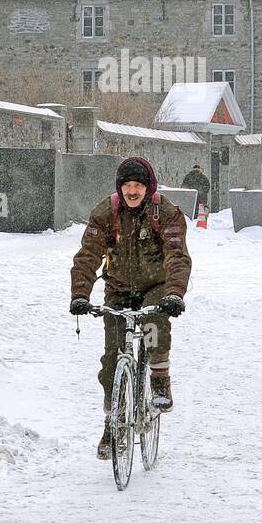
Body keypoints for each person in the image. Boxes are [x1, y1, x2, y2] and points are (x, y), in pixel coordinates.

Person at [70, 156, 191, 460]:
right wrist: (80, 294)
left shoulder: (165, 213)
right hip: (119, 289)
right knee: (111, 362)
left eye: (138, 185)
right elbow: (88, 255)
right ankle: (113, 426)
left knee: (153, 329)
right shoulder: (105, 213)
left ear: (148, 187)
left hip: (156, 287)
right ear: (119, 188)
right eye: (127, 186)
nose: (132, 191)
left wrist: (174, 294)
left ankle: (160, 378)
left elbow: (177, 256)